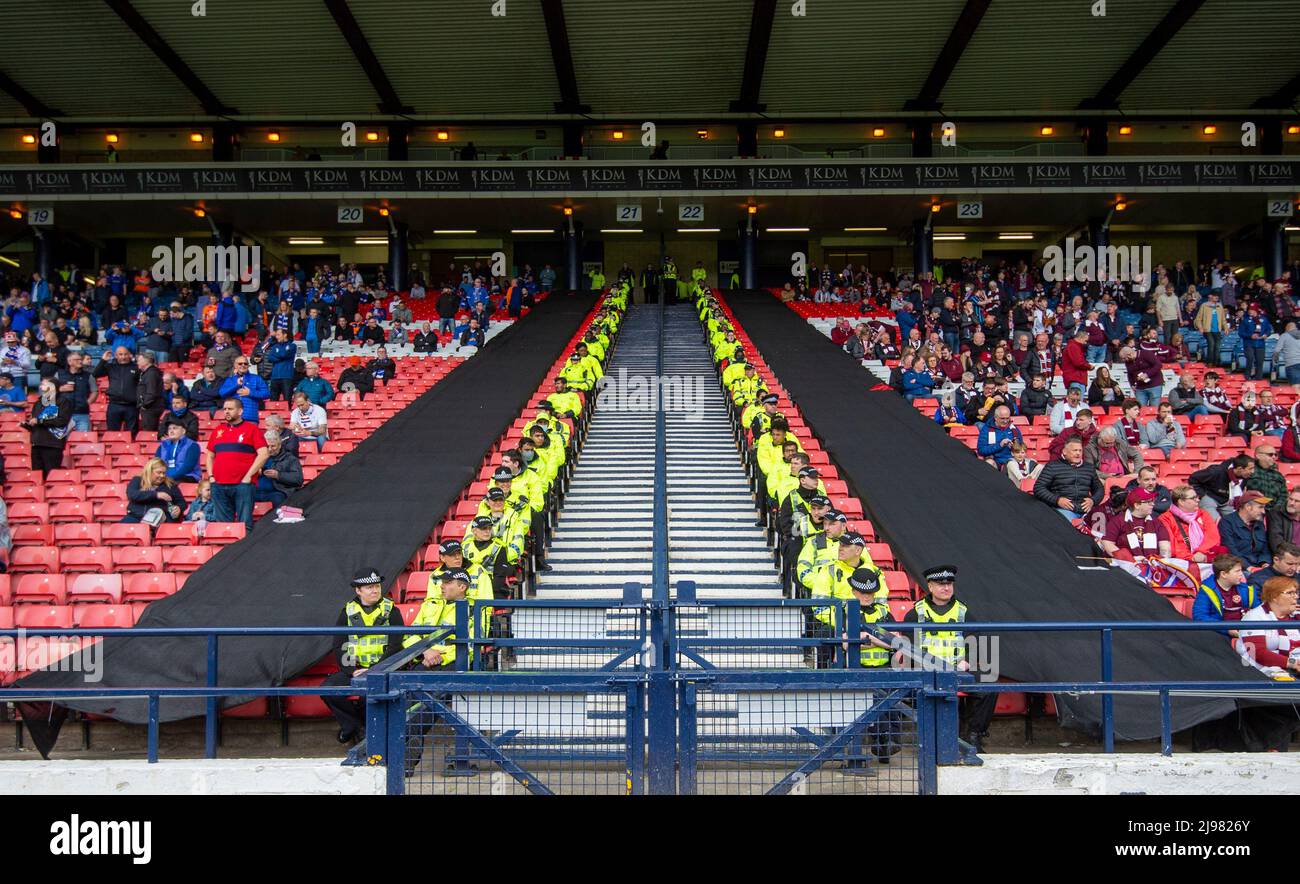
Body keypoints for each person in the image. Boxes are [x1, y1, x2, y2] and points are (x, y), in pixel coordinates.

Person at [898, 565, 997, 752]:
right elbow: (909, 649)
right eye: (940, 584)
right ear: (930, 586)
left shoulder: (964, 612)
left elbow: (976, 644)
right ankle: (935, 741)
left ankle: (973, 736)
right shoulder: (915, 614)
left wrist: (965, 662)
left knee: (989, 685)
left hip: (957, 670)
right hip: (927, 672)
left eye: (949, 584)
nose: (946, 588)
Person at [322, 567, 406, 744]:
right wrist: (352, 670)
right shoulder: (347, 612)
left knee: (366, 695)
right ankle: (353, 727)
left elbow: (395, 645)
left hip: (383, 669)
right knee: (328, 689)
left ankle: (368, 736)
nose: (375, 590)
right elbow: (340, 644)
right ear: (358, 590)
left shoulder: (392, 611)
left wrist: (374, 669)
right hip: (356, 669)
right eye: (369, 587)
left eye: (377, 586)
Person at [207, 398, 269, 531]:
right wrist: (211, 477)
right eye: (225, 409)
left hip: (243, 485)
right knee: (222, 527)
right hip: (218, 485)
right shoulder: (218, 430)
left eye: (230, 409)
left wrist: (248, 476)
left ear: (240, 411)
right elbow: (209, 455)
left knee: (244, 526)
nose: (226, 412)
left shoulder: (252, 429)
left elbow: (264, 454)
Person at [1236, 577, 1300, 680]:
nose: (1296, 597)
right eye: (1290, 593)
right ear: (1274, 596)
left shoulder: (1296, 615)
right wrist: (1293, 663)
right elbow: (1258, 653)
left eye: (1296, 592)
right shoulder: (1254, 617)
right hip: (1265, 671)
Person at [1034, 438, 1104, 521]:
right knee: (1069, 528)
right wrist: (1057, 500)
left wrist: (1093, 500)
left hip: (1086, 510)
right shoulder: (1052, 466)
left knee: (1101, 522)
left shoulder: (1089, 468)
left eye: (1080, 451)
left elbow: (1099, 488)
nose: (1078, 453)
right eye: (1074, 450)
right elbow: (1038, 488)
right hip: (1063, 510)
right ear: (1064, 452)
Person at [1098, 488, 1171, 561]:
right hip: (1125, 566)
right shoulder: (1117, 521)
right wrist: (1129, 559)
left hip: (1153, 565)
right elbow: (1108, 543)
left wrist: (1162, 562)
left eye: (1152, 500)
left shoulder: (1156, 522)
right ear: (1137, 505)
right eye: (1149, 502)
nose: (1153, 504)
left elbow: (1165, 546)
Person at [1192, 554, 1255, 637]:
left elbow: (1259, 611)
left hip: (1246, 632)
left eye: (1241, 570)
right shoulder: (1207, 590)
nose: (1241, 574)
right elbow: (1200, 617)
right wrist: (1227, 630)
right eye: (1237, 571)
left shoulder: (1246, 589)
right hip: (1218, 634)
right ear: (1224, 574)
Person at [21, 378, 72, 478]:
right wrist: (28, 425)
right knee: (37, 477)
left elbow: (61, 421)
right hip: (37, 444)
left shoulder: (62, 402)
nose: (40, 387)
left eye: (43, 385)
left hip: (52, 445)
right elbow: (38, 425)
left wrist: (40, 421)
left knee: (51, 476)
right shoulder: (38, 402)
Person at [1158, 484, 1222, 563]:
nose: (1198, 500)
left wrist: (1201, 552)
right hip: (1182, 562)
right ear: (1181, 501)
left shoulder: (1203, 514)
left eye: (1197, 497)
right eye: (1193, 498)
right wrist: (1191, 558)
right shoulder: (1165, 518)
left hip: (1205, 557)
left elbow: (1213, 537)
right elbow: (1173, 545)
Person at [123, 456, 187, 523]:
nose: (162, 476)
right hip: (136, 517)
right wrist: (156, 495)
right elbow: (132, 494)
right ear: (149, 471)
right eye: (159, 472)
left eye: (164, 473)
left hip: (161, 519)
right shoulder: (138, 480)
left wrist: (179, 508)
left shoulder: (170, 485)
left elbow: (182, 502)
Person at [1191, 454, 1255, 519]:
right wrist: (1202, 494)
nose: (1253, 471)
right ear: (1240, 469)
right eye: (1250, 469)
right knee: (1215, 521)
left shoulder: (1246, 476)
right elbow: (1193, 478)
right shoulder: (1216, 471)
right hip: (1210, 497)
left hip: (1228, 501)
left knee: (1237, 521)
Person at [94, 345, 142, 434]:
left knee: (132, 433)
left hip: (131, 406)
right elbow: (95, 374)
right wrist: (103, 360)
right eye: (120, 354)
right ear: (116, 356)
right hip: (114, 405)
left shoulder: (136, 368)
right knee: (112, 433)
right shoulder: (111, 366)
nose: (123, 357)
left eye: (125, 354)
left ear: (130, 355)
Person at [1218, 490, 1272, 568]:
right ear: (1248, 507)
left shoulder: (1259, 524)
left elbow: (1265, 548)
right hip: (1238, 568)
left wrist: (1264, 563)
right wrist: (1247, 567)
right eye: (1260, 507)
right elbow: (1230, 550)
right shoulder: (1227, 522)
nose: (1263, 511)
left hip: (1258, 566)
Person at [254, 430, 303, 509]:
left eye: (273, 446)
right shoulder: (256, 457)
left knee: (278, 499)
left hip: (277, 492)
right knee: (241, 497)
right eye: (267, 446)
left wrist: (278, 475)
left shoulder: (289, 458)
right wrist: (255, 472)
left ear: (279, 445)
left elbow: (298, 479)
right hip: (254, 492)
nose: (269, 449)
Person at [218, 354, 270, 423]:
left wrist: (250, 393)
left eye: (245, 363)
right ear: (235, 366)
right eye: (240, 363)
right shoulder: (230, 380)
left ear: (248, 366)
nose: (243, 365)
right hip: (234, 418)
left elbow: (267, 393)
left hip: (250, 418)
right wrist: (236, 385)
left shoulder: (256, 378)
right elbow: (222, 393)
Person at [53, 350, 95, 433]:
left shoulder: (88, 375)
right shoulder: (59, 374)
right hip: (64, 413)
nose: (80, 361)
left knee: (83, 439)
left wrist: (88, 402)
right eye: (77, 359)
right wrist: (60, 389)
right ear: (69, 362)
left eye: (81, 359)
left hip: (82, 413)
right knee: (62, 439)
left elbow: (94, 391)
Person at [976, 405, 1022, 469]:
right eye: (1002, 418)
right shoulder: (987, 429)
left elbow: (1021, 449)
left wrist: (1014, 447)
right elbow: (981, 450)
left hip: (1011, 461)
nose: (1005, 421)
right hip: (996, 462)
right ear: (995, 417)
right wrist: (999, 445)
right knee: (989, 463)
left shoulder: (1014, 429)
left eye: (1007, 418)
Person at [1193, 290, 1228, 366]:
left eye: (1217, 296)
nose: (1217, 297)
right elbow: (1198, 318)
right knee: (1211, 344)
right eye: (1215, 296)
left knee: (1217, 346)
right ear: (1210, 296)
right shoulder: (1204, 305)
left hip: (1217, 330)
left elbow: (1223, 319)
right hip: (1207, 329)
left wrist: (1225, 328)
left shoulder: (1219, 306)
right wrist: (1200, 327)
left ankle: (1216, 363)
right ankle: (1210, 362)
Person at [1239, 304, 1273, 381]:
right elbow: (1241, 332)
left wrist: (1266, 335)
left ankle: (1259, 379)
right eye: (1249, 310)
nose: (1250, 311)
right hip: (1249, 344)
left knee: (1260, 361)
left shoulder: (1264, 319)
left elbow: (1269, 330)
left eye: (1252, 310)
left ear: (1256, 310)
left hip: (1260, 343)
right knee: (1250, 359)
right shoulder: (1245, 320)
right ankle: (1247, 377)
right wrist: (1250, 336)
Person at [135, 350, 164, 433]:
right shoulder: (148, 373)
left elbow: (151, 392)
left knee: (149, 432)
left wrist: (144, 405)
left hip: (151, 409)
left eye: (139, 360)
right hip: (150, 407)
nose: (137, 363)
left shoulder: (151, 374)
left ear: (146, 361)